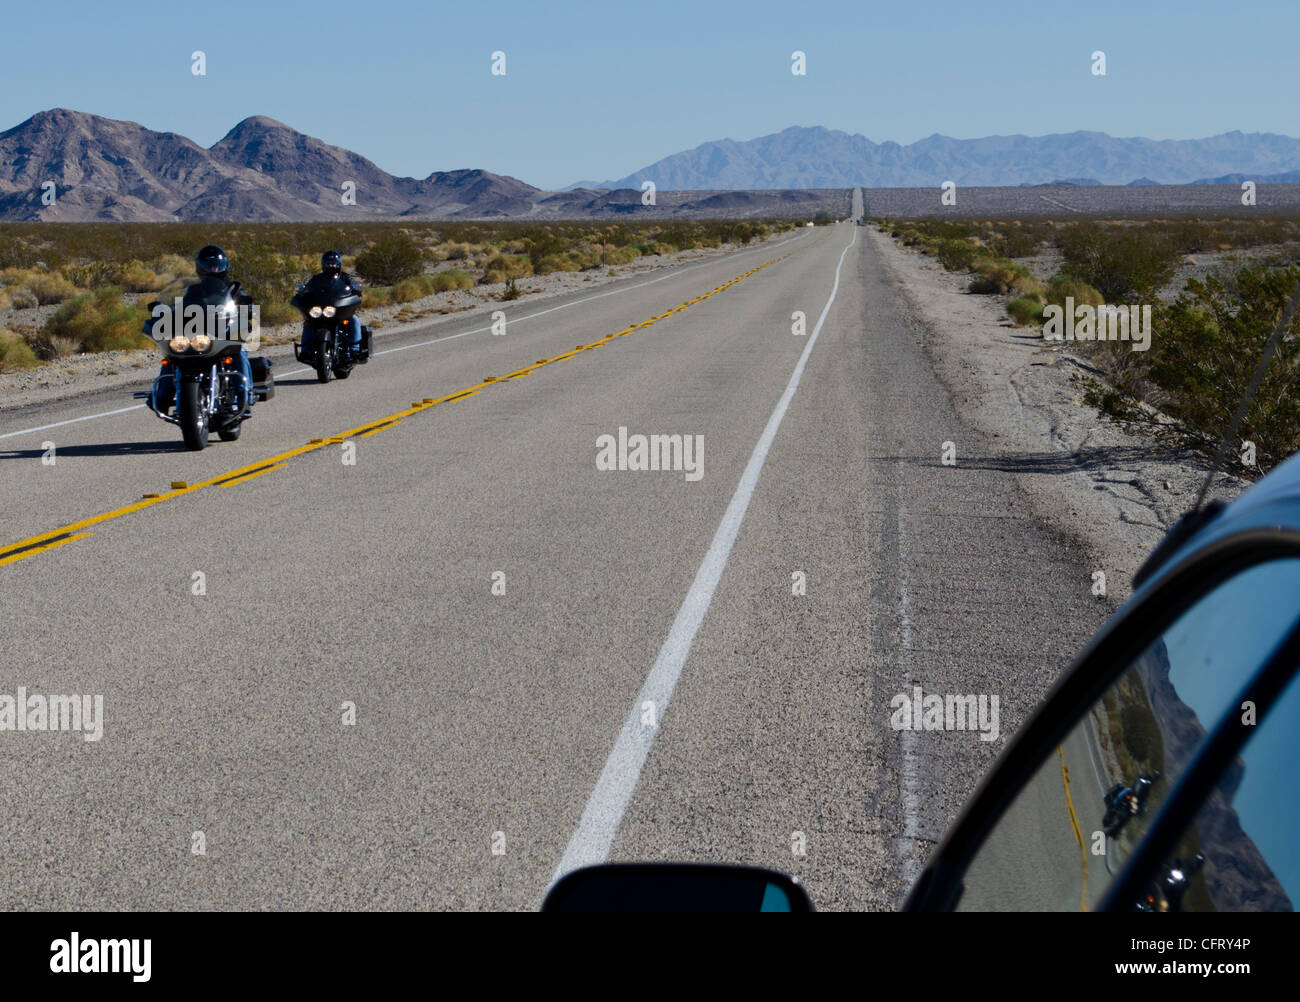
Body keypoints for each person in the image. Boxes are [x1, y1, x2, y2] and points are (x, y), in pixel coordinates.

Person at [154, 245, 255, 411]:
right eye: (209, 264)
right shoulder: (193, 289)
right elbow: (181, 306)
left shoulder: (233, 287)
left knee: (240, 351)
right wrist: (165, 310)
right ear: (200, 266)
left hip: (223, 331)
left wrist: (246, 307)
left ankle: (245, 394)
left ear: (224, 265)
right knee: (173, 355)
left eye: (216, 264)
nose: (213, 268)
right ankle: (162, 398)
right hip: (196, 333)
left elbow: (244, 300)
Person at [298, 250, 366, 361]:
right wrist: (303, 292)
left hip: (339, 310)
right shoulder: (317, 279)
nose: (331, 265)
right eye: (329, 263)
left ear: (338, 264)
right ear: (323, 264)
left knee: (354, 320)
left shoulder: (345, 277)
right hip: (322, 309)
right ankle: (305, 351)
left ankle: (355, 350)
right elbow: (308, 288)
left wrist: (356, 290)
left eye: (334, 263)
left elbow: (353, 287)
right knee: (308, 322)